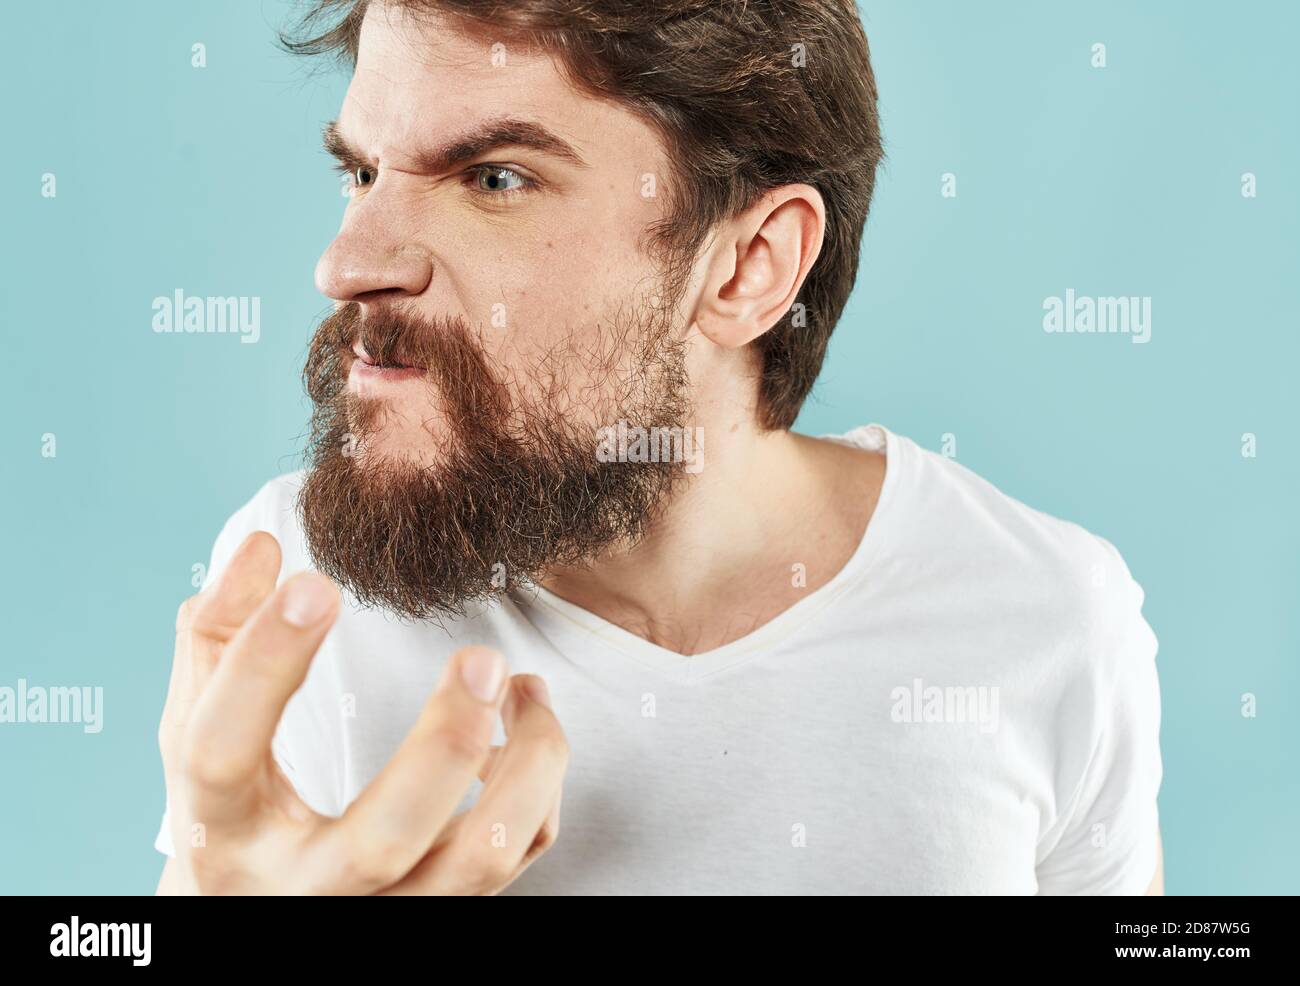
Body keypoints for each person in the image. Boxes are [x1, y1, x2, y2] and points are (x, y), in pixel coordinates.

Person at [154, 0, 1163, 895]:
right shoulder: (293, 605)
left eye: (493, 177)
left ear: (747, 268)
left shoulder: (1042, 613)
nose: (346, 261)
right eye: (362, 169)